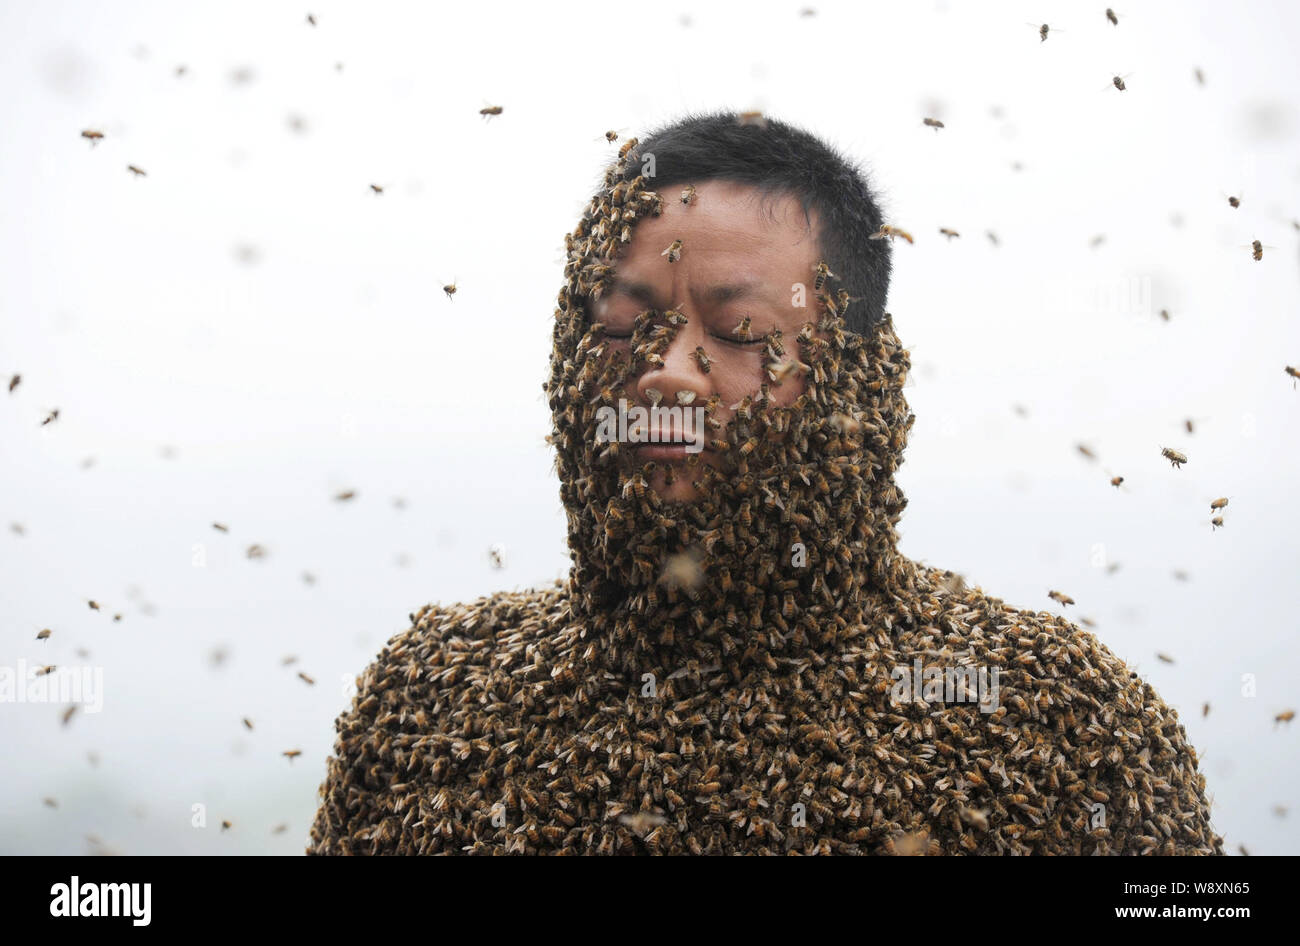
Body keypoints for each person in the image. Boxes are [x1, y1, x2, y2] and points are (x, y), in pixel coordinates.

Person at [308, 112, 1223, 855]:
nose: (668, 372)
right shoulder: (425, 701)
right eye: (626, 323)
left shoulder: (1054, 715)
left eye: (741, 333)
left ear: (864, 375)